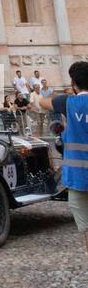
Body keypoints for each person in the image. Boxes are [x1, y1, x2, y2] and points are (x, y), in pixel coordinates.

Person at [40, 60, 88, 258]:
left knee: (86, 232)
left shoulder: (68, 102)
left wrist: (66, 94)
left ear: (73, 82)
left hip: (78, 178)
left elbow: (42, 102)